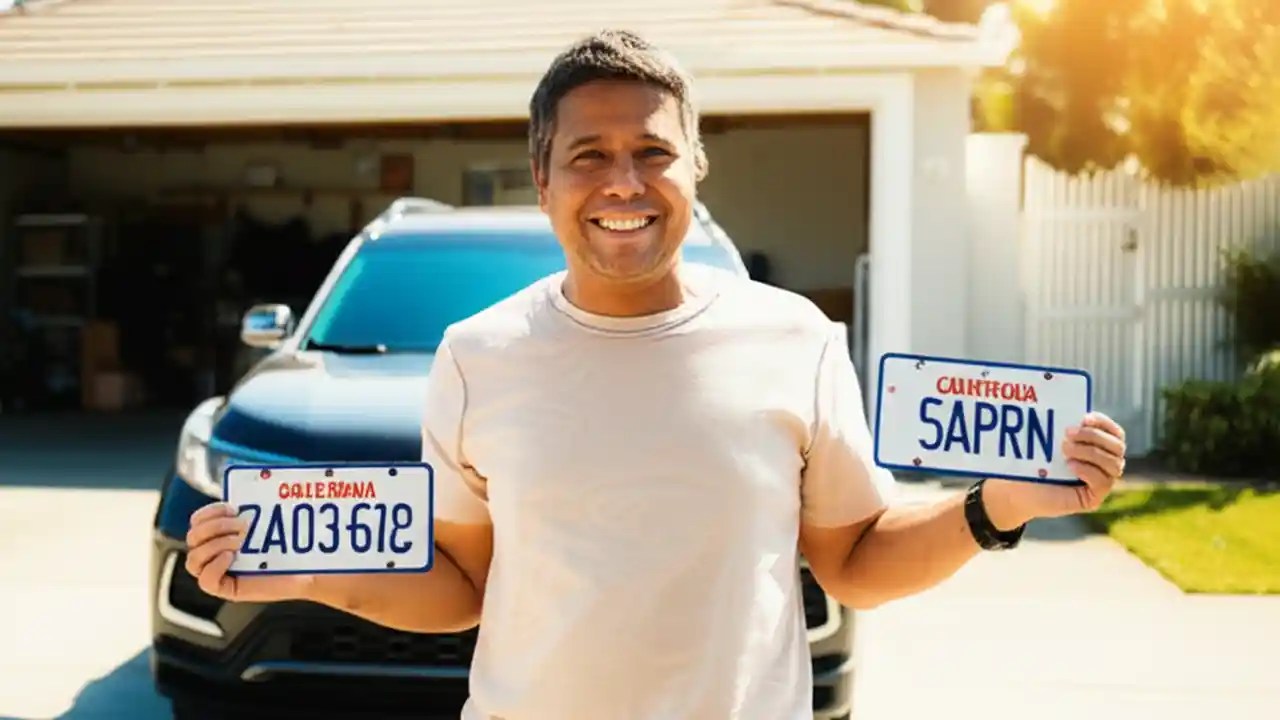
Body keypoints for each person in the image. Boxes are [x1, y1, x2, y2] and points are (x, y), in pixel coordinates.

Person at [184, 29, 1129, 720]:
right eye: (588, 156)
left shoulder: (792, 337)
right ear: (543, 176)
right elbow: (463, 585)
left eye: (652, 153)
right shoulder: (478, 355)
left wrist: (993, 505)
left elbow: (855, 562)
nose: (623, 184)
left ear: (697, 167)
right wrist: (298, 574)